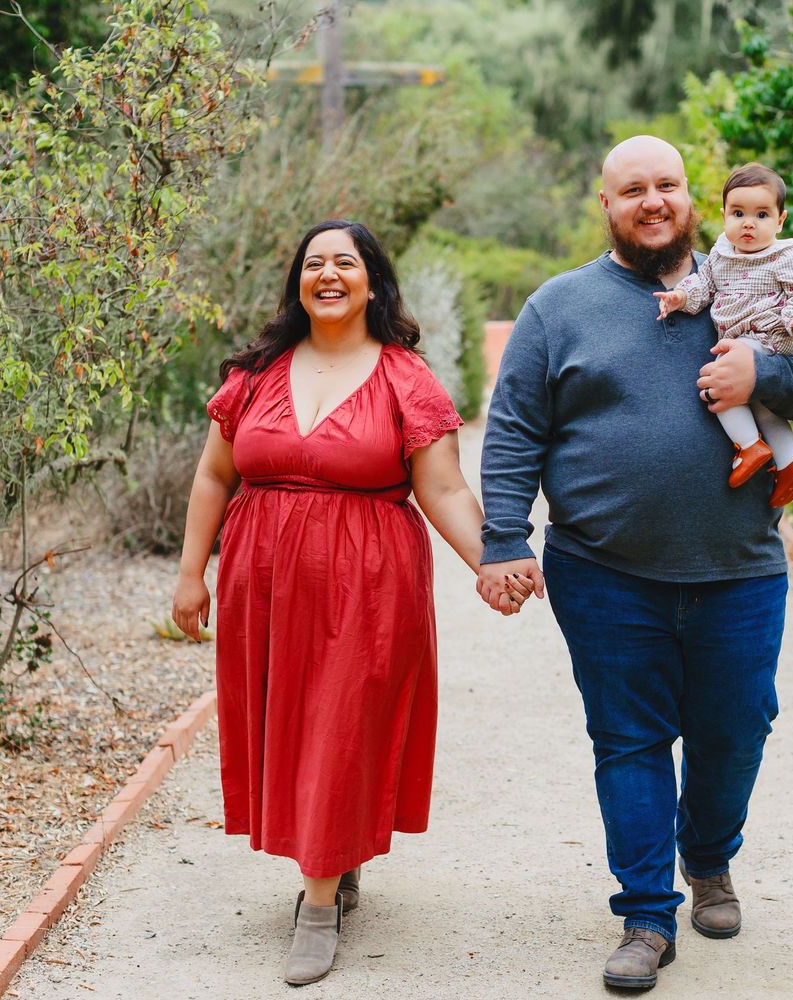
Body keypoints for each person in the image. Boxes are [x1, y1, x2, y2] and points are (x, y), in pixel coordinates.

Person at [478, 137, 793, 990]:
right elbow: (515, 430)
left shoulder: (752, 277)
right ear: (606, 204)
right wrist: (504, 539)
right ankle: (646, 915)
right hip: (603, 573)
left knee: (738, 728)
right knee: (628, 740)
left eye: (667, 185)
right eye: (632, 189)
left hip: (739, 568)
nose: (652, 201)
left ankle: (708, 857)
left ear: (691, 198)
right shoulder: (560, 307)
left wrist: (764, 370)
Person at [171, 220, 532, 986]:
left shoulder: (406, 378)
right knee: (293, 728)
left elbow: (442, 489)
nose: (328, 274)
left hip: (368, 586)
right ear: (297, 283)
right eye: (314, 263)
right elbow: (214, 475)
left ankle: (317, 906)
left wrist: (494, 561)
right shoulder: (256, 374)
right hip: (264, 587)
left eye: (345, 262)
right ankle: (334, 856)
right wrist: (191, 573)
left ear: (373, 282)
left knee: (340, 728)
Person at [653, 162, 793, 508]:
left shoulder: (786, 255)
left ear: (780, 221)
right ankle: (789, 464)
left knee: (719, 384)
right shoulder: (721, 255)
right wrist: (680, 297)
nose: (748, 223)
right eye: (738, 213)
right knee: (760, 404)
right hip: (743, 339)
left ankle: (749, 446)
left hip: (769, 334)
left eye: (762, 215)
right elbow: (703, 286)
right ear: (724, 215)